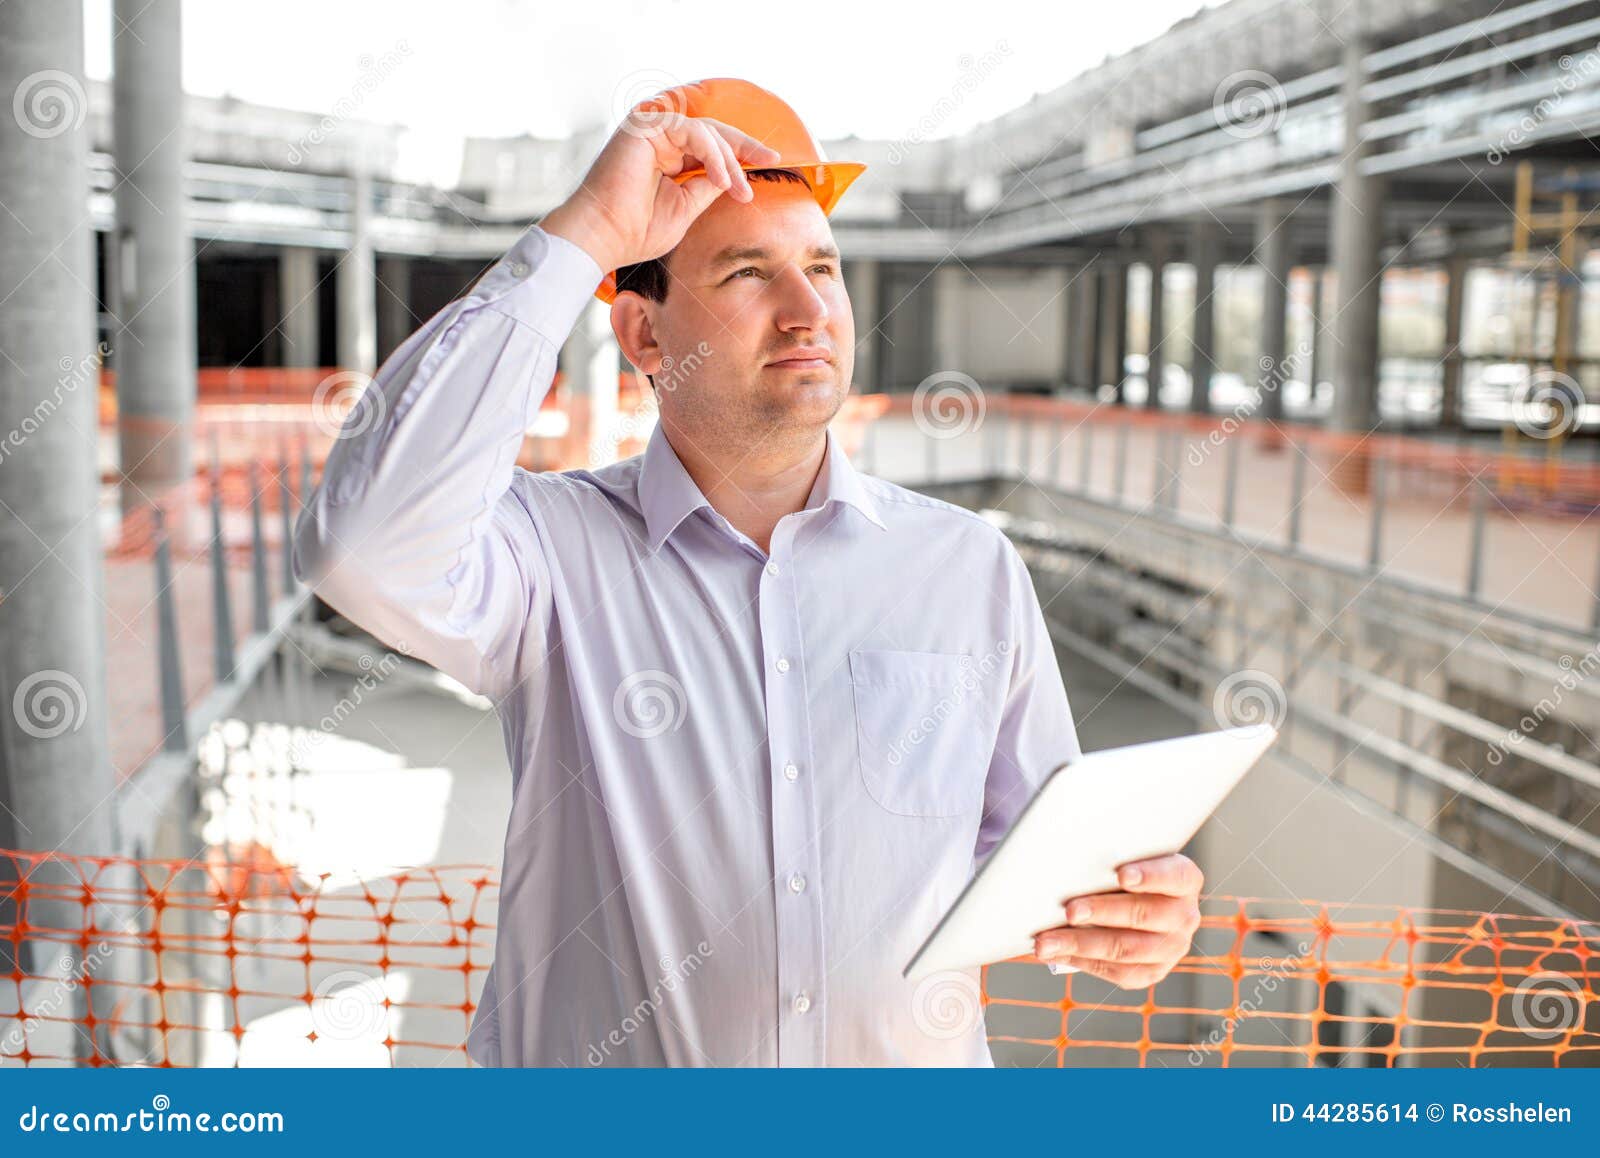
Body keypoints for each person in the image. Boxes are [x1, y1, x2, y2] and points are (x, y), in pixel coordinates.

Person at [293, 77, 1202, 1067]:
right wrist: (590, 231)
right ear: (644, 335)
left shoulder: (966, 565)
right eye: (746, 274)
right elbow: (363, 541)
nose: (809, 308)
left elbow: (1036, 866)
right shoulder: (550, 557)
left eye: (823, 266)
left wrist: (1128, 913)